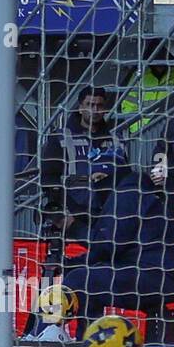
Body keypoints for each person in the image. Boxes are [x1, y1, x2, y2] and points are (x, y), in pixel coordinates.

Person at [61, 165, 174, 343]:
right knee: (84, 276)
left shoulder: (127, 194)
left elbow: (109, 246)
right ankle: (89, 339)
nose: (95, 185)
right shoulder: (132, 192)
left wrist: (73, 229)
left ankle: (77, 339)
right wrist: (75, 261)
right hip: (159, 275)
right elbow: (111, 246)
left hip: (154, 276)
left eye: (98, 179)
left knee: (80, 280)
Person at [40, 86, 122, 242]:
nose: (94, 110)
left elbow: (125, 175)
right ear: (80, 107)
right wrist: (61, 215)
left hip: (109, 216)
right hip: (73, 217)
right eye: (90, 104)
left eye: (99, 105)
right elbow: (49, 179)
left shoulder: (116, 139)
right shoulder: (60, 137)